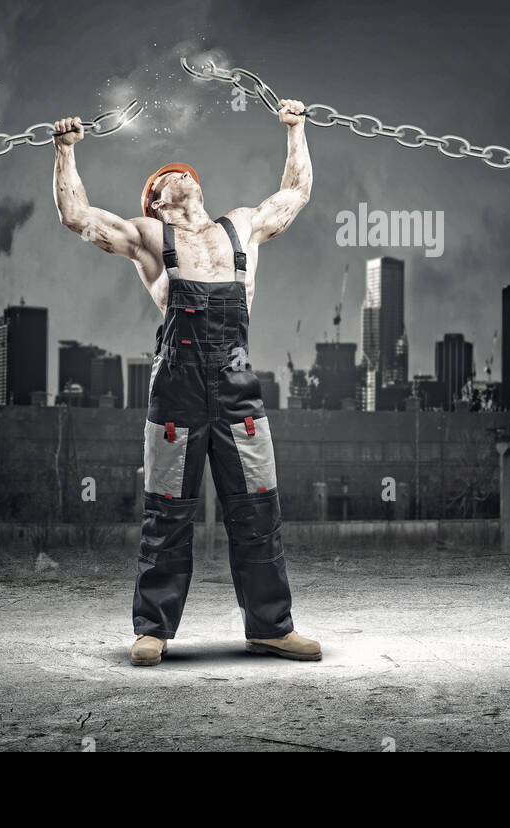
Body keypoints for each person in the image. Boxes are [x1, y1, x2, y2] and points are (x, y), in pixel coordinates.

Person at [52, 98, 320, 666]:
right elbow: (77, 216)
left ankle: (271, 627)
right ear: (154, 201)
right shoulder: (149, 238)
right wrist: (65, 150)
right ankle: (153, 629)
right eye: (164, 177)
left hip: (237, 383)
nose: (178, 174)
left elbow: (294, 194)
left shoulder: (242, 225)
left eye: (184, 173)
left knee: (258, 506)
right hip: (175, 386)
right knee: (167, 509)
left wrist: (296, 130)